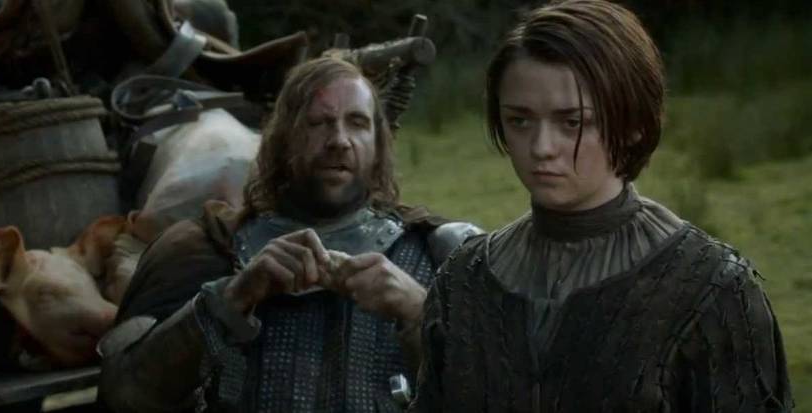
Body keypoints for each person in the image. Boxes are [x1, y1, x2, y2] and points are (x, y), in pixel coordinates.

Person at [410, 1, 793, 412]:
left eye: (572, 122)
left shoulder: (711, 290)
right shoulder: (464, 283)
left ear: (633, 125)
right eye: (520, 120)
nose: (541, 147)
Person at [98, 57, 481, 413]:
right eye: (319, 122)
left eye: (357, 123)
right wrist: (231, 299)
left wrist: (421, 313)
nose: (339, 140)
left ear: (379, 144)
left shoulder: (438, 252)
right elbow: (124, 397)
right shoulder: (202, 250)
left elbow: (501, 390)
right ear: (283, 140)